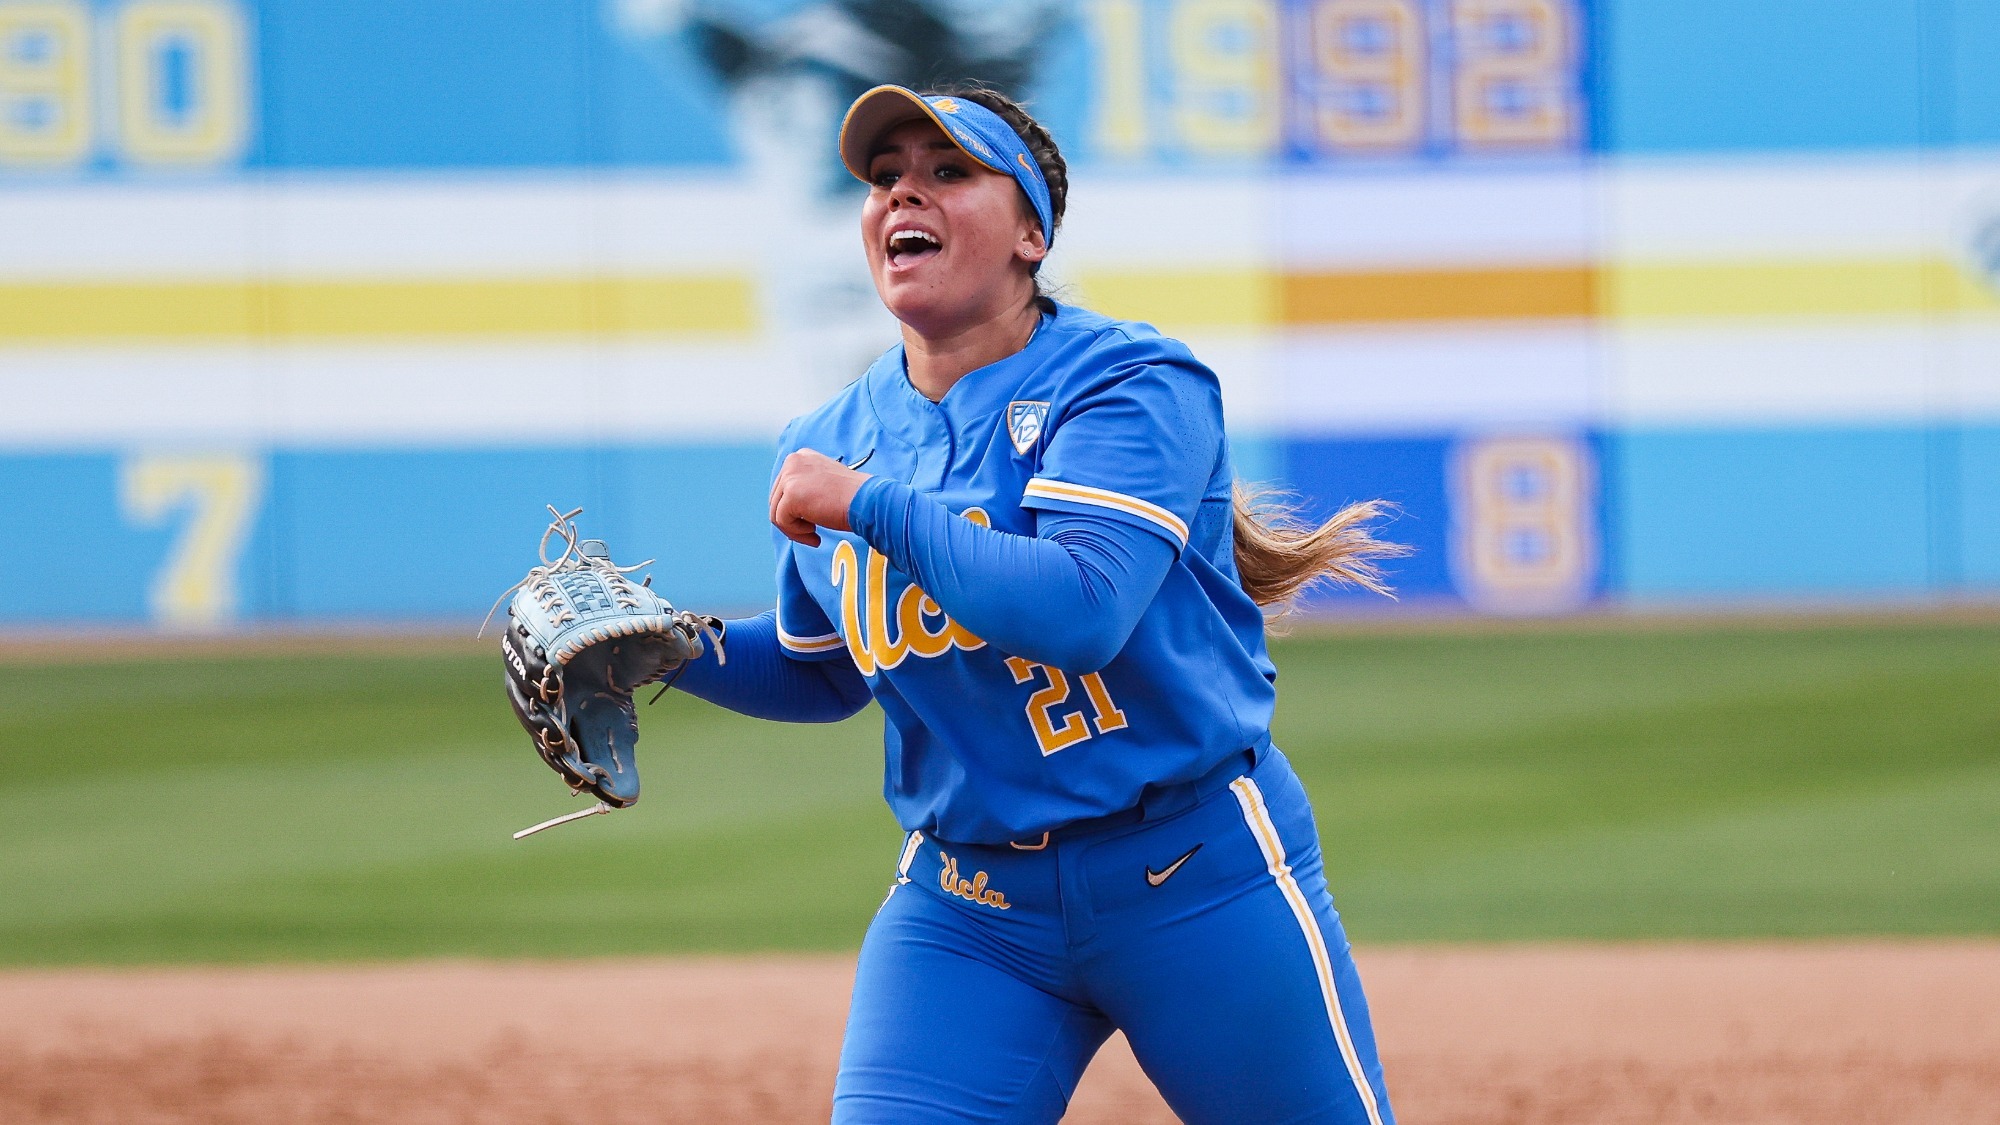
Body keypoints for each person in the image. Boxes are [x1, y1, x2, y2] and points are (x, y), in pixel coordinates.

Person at [672, 82, 1403, 1125]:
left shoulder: (1129, 381)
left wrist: (868, 504)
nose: (903, 194)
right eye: (884, 177)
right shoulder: (833, 434)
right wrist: (665, 647)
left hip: (1195, 878)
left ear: (1031, 234)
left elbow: (1080, 609)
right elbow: (817, 671)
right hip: (969, 912)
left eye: (947, 171)